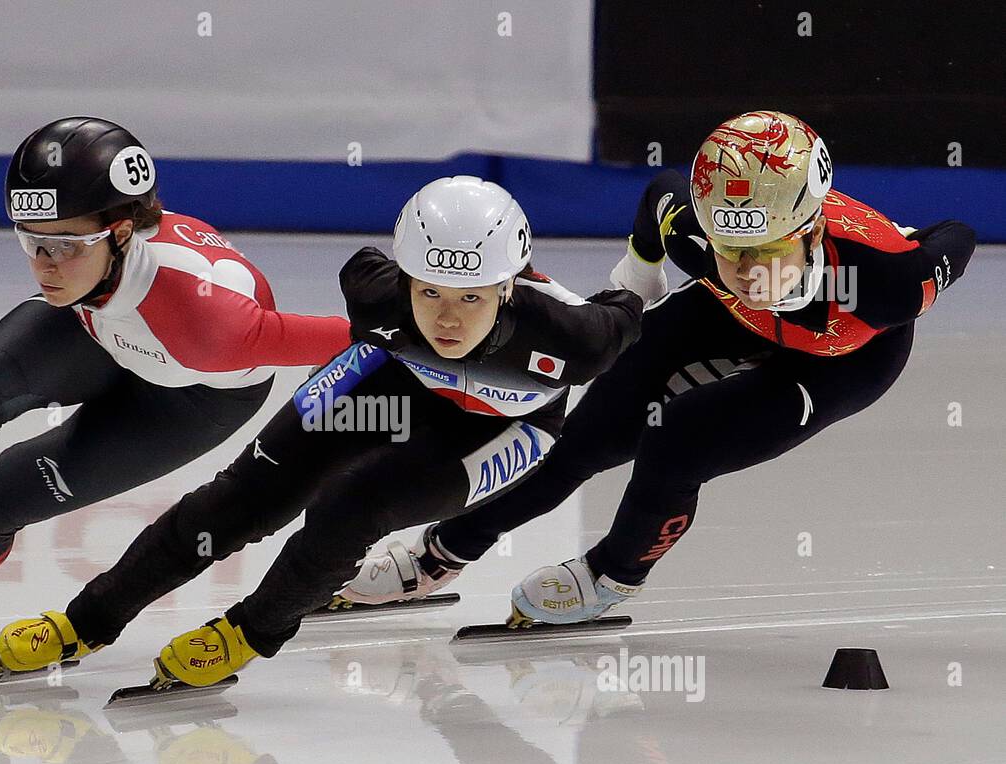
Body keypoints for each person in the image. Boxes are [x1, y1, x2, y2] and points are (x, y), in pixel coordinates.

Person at [0, 176, 644, 683]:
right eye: (430, 293)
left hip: (506, 424)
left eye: (471, 297)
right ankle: (87, 619)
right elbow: (364, 273)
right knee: (242, 495)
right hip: (393, 383)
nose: (448, 319)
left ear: (508, 287)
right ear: (405, 279)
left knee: (352, 508)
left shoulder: (577, 336)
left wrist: (646, 259)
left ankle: (252, 630)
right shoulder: (375, 292)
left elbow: (631, 298)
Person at [338, 110, 977, 626]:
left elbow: (959, 232)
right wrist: (639, 278)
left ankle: (614, 573)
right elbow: (657, 195)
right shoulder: (694, 234)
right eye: (729, 248)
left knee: (680, 439)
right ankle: (444, 551)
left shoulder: (887, 283)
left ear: (810, 229)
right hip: (727, 318)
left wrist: (907, 243)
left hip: (845, 357)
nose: (747, 271)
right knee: (586, 434)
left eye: (766, 250)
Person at [0, 116, 351, 635]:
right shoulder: (87, 268)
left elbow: (369, 338)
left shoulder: (210, 324)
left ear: (122, 233)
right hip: (104, 328)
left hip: (192, 396)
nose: (44, 264)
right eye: (30, 240)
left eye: (64, 246)